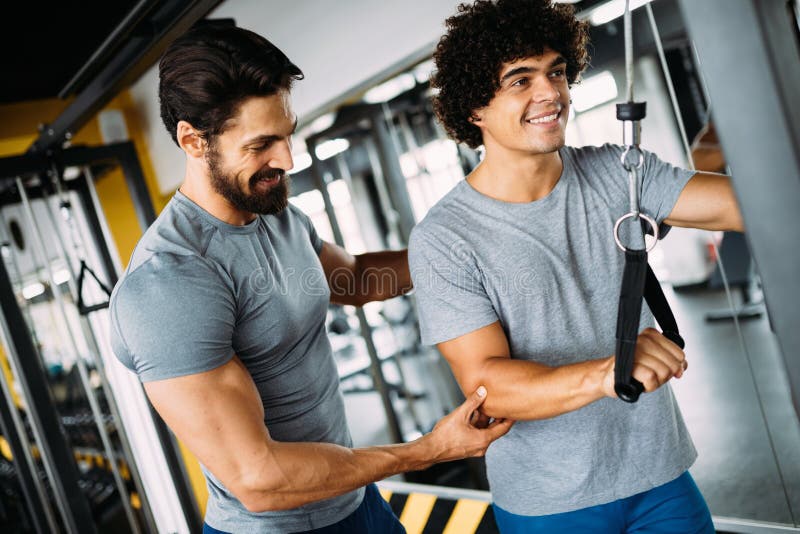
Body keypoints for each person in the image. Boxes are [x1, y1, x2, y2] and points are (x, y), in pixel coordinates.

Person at [108, 22, 512, 534]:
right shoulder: (168, 284)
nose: (287, 160)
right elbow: (258, 478)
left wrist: (468, 251)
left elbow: (357, 280)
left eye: (288, 134)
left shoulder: (276, 216)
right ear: (192, 140)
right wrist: (429, 450)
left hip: (354, 502)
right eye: (262, 145)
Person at [408, 1, 743, 532]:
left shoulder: (618, 172)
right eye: (520, 80)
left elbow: (748, 204)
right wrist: (609, 371)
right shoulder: (444, 238)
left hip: (660, 477)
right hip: (550, 501)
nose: (551, 94)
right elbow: (489, 385)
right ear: (475, 107)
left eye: (556, 72)